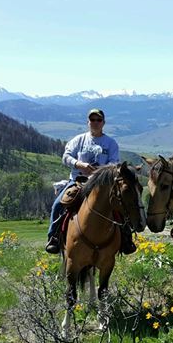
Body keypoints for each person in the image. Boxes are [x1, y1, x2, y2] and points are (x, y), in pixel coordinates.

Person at [45, 108, 135, 255]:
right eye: (92, 120)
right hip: (77, 181)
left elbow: (114, 163)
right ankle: (53, 238)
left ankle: (126, 239)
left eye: (98, 120)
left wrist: (99, 172)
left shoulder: (111, 143)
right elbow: (66, 156)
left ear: (103, 123)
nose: (95, 122)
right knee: (59, 205)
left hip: (102, 185)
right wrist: (79, 164)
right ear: (88, 122)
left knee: (121, 206)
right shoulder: (79, 140)